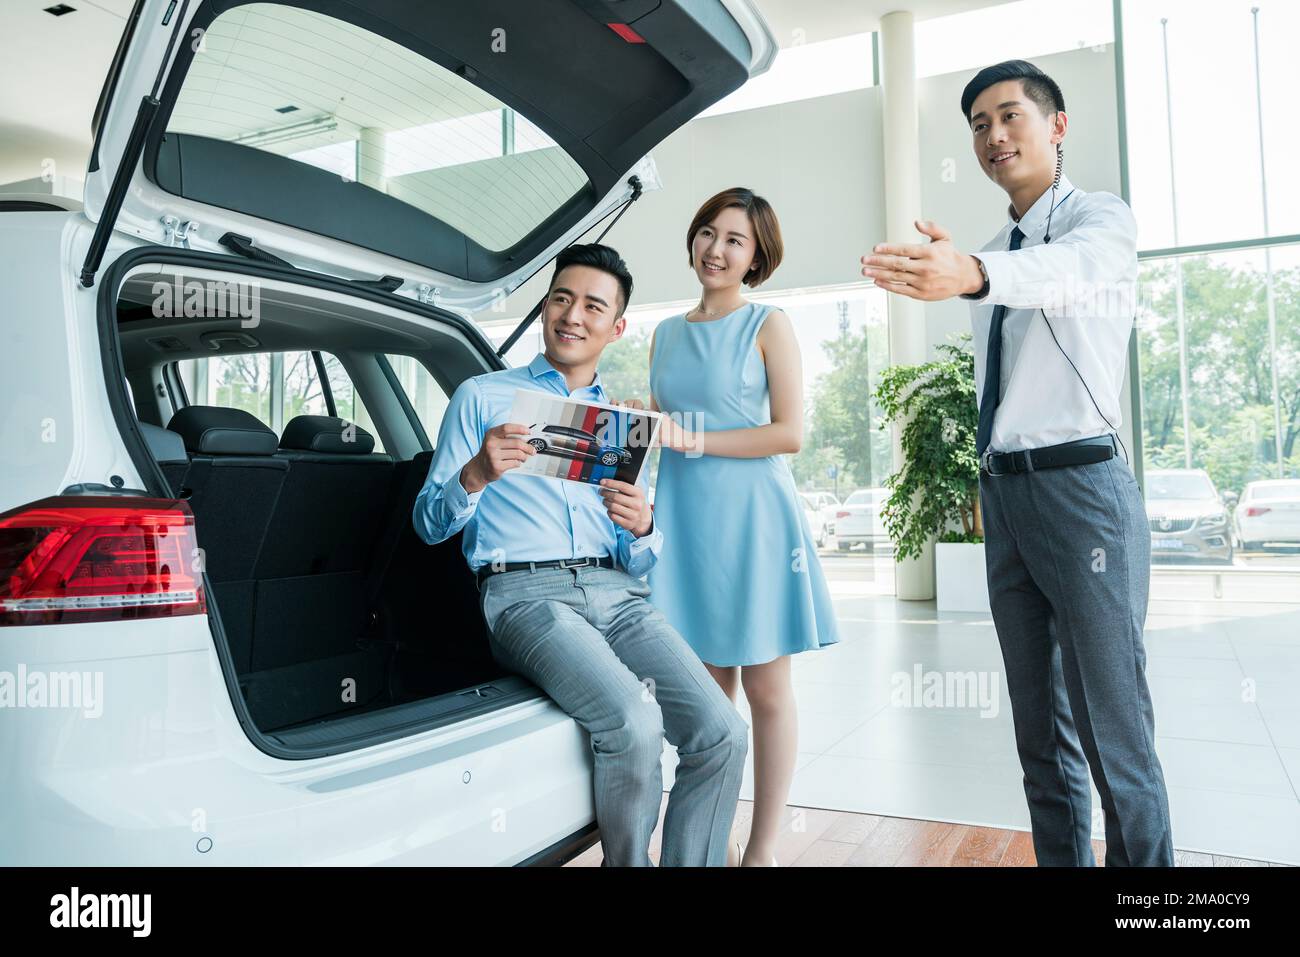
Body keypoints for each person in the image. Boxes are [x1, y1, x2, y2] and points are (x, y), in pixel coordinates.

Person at [860, 60, 1174, 866]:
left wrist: (973, 273)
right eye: (977, 124)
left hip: (1083, 492)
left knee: (1116, 736)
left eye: (1010, 116)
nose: (993, 136)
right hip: (1004, 497)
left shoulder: (1100, 223)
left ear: (1056, 126)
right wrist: (976, 269)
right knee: (1040, 733)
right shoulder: (996, 251)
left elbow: (1063, 276)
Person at [412, 243, 750, 867]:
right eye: (562, 298)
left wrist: (645, 526)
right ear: (545, 308)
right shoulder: (483, 397)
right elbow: (429, 524)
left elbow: (639, 558)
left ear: (616, 327)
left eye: (594, 306)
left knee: (723, 732)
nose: (573, 315)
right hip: (524, 597)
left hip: (620, 597)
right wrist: (478, 473)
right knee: (633, 721)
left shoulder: (620, 424)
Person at [633, 187, 840, 867]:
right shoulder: (664, 332)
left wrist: (694, 439)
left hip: (754, 521)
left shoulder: (767, 324)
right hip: (687, 522)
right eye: (708, 233)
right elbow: (662, 424)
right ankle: (709, 831)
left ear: (756, 258)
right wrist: (641, 419)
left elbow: (790, 432)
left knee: (766, 689)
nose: (716, 249)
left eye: (735, 240)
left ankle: (762, 848)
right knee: (705, 695)